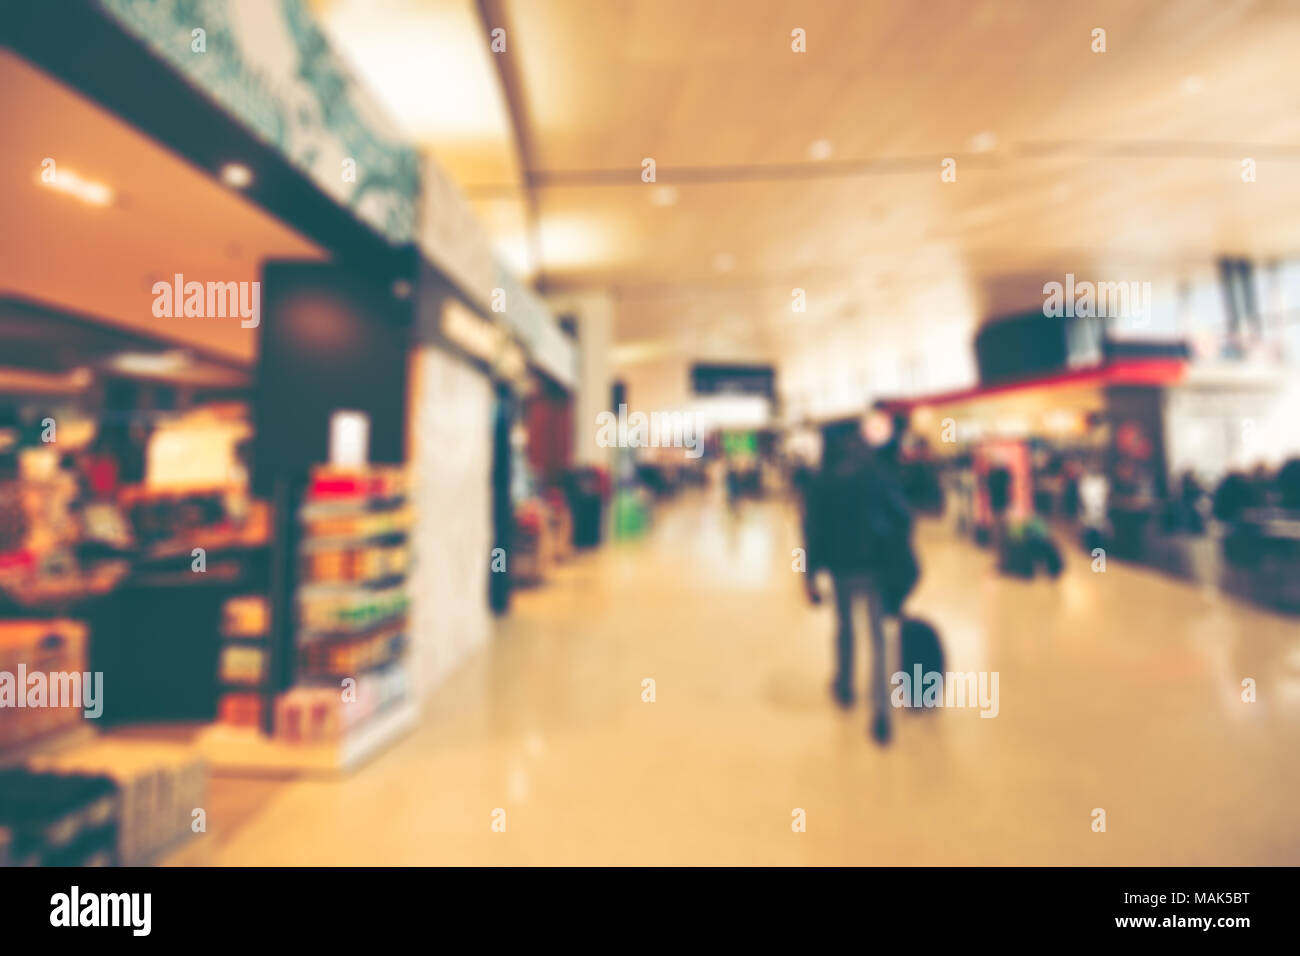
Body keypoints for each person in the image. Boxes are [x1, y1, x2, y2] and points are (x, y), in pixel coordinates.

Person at [803, 406, 918, 745]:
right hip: (877, 566)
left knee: (844, 629)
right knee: (878, 636)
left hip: (841, 567)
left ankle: (845, 686)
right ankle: (882, 712)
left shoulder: (824, 478)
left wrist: (809, 576)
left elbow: (813, 530)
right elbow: (903, 516)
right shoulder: (878, 473)